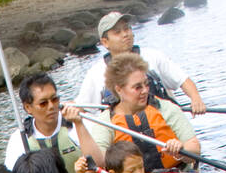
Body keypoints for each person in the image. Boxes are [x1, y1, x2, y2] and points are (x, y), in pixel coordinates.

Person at [76, 11, 206, 113]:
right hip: (124, 140)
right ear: (105, 42)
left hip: (164, 129)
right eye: (117, 32)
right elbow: (82, 106)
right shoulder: (95, 73)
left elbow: (183, 80)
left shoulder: (153, 56)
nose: (125, 34)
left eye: (127, 29)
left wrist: (196, 99)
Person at [105, 53, 201, 171]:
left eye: (146, 84)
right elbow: (99, 161)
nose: (145, 90)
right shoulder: (105, 121)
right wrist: (79, 125)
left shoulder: (166, 108)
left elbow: (195, 148)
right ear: (119, 89)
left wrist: (181, 150)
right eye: (138, 87)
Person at [4, 73, 104, 171]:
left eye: (54, 99)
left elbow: (99, 165)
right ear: (28, 107)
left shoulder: (77, 122)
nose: (51, 106)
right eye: (43, 103)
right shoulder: (19, 139)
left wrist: (79, 124)